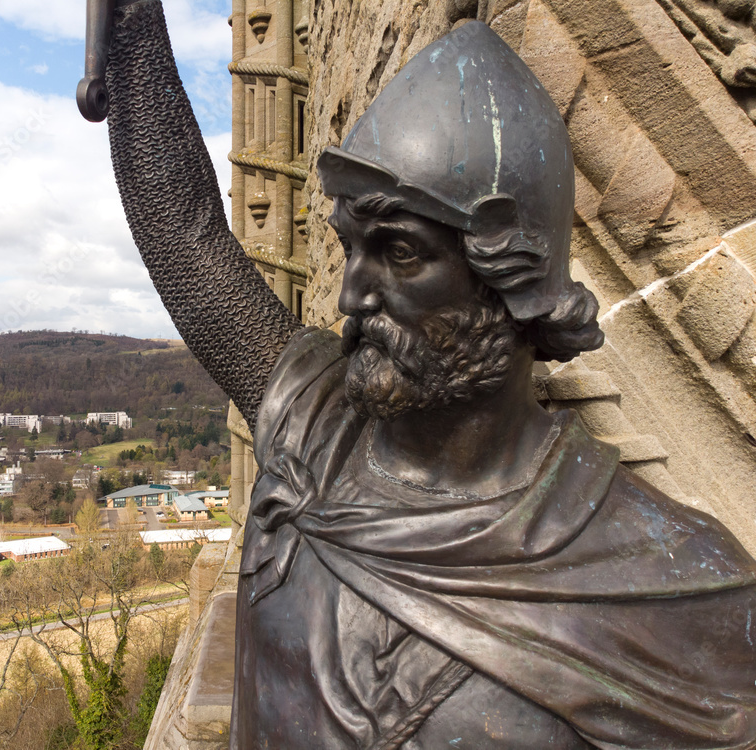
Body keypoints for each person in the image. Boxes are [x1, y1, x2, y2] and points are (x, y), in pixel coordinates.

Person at [99, 3, 756, 748]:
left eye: (400, 253)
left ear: (513, 281)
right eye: (349, 248)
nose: (351, 297)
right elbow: (185, 231)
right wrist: (129, 26)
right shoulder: (313, 421)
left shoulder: (678, 585)